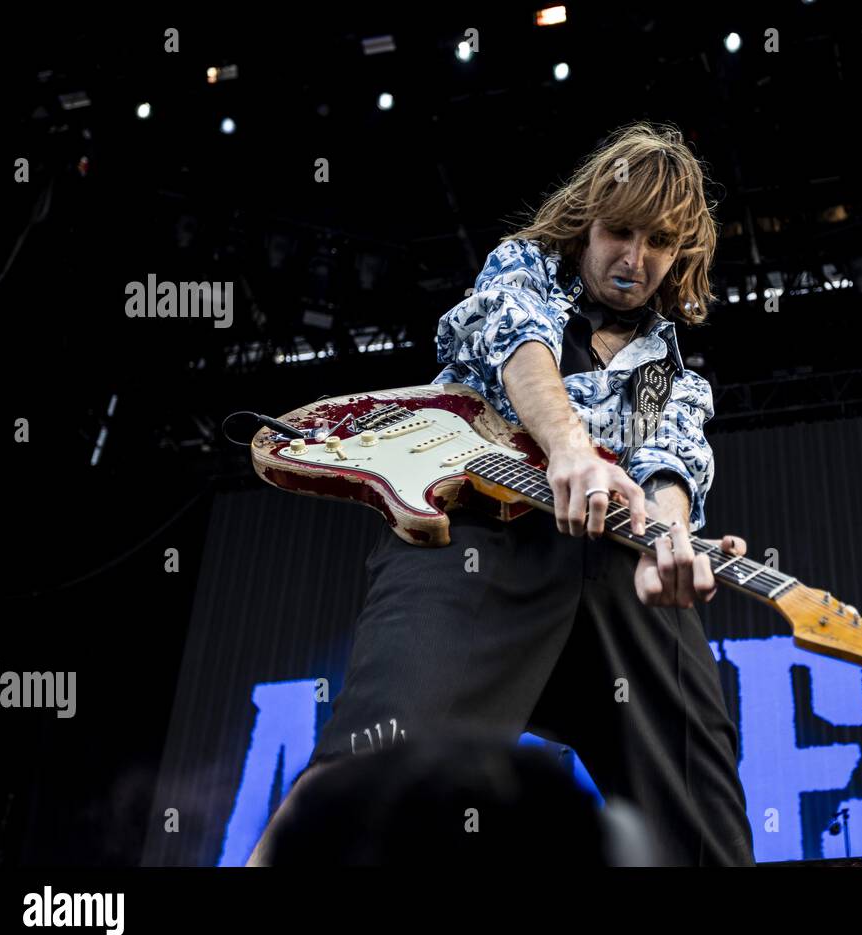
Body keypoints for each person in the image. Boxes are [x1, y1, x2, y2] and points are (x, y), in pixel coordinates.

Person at [247, 121, 756, 866]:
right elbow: (522, 349)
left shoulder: (671, 373)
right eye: (620, 232)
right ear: (587, 223)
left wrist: (670, 535)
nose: (634, 260)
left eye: (660, 244)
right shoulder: (520, 269)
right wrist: (571, 449)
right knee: (373, 764)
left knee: (702, 805)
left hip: (617, 567)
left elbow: (671, 460)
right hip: (476, 538)